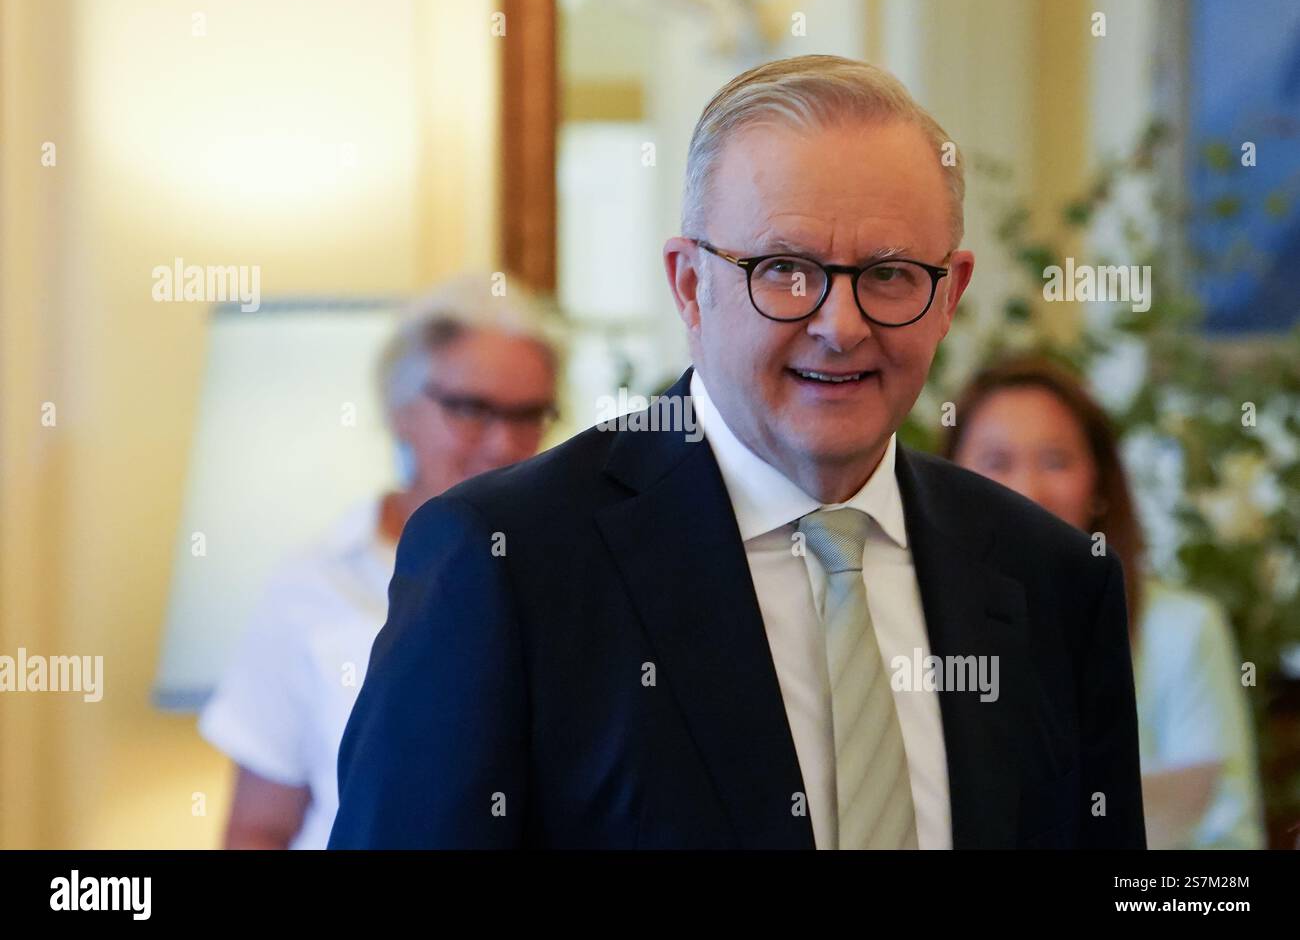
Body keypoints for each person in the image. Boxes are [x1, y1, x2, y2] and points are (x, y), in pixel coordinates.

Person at [330, 55, 1146, 849]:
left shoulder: (1051, 579)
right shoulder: (509, 562)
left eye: (891, 273)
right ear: (690, 284)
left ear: (950, 295)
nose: (841, 325)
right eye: (784, 269)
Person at [198, 275, 560, 849]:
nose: (503, 445)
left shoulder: (576, 576)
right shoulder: (314, 584)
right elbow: (260, 827)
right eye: (470, 409)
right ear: (400, 409)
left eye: (527, 415)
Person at [941, 355, 1266, 849]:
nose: (1027, 490)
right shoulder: (913, 628)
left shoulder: (1182, 628)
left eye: (1055, 461)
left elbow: (1233, 840)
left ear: (1098, 483)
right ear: (947, 486)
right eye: (996, 462)